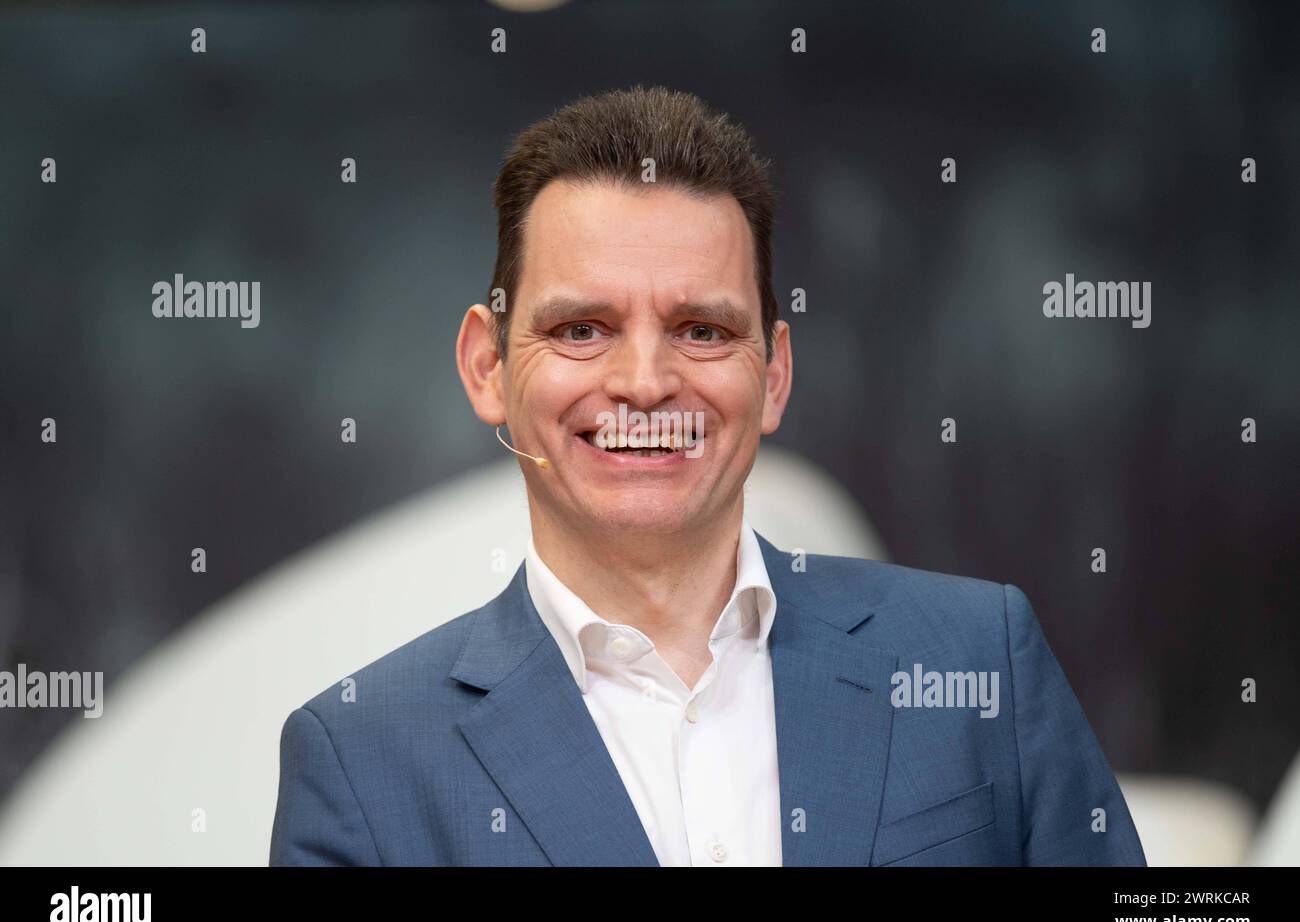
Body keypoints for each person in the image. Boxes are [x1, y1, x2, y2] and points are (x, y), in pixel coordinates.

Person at [269, 85, 1146, 866]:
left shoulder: (979, 657)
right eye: (582, 328)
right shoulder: (362, 763)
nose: (646, 383)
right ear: (487, 367)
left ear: (773, 375)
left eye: (702, 330)